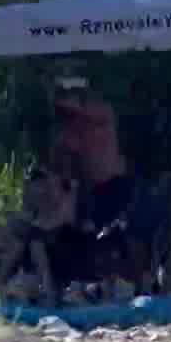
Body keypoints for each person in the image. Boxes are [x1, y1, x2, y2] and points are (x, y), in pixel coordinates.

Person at [49, 77, 136, 264]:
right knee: (86, 236)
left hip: (113, 183)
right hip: (89, 189)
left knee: (115, 234)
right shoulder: (73, 127)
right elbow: (65, 150)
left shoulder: (102, 112)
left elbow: (75, 107)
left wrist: (55, 94)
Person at [0, 158, 75, 299]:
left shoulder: (66, 207)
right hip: (32, 270)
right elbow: (7, 234)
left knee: (33, 239)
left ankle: (45, 288)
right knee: (24, 236)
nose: (42, 190)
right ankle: (0, 283)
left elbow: (64, 218)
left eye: (47, 185)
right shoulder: (29, 216)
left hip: (59, 263)